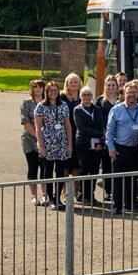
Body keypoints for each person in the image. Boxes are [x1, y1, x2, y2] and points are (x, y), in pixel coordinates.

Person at [106, 82, 138, 214]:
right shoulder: (116, 109)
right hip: (120, 148)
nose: (131, 95)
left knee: (132, 178)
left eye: (134, 92)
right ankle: (117, 205)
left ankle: (130, 203)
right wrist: (111, 148)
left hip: (136, 149)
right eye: (128, 92)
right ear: (124, 94)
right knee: (118, 178)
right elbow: (109, 130)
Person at [35, 81, 72, 211]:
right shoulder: (41, 106)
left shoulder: (64, 106)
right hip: (47, 142)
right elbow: (38, 128)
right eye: (50, 90)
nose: (53, 92)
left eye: (55, 90)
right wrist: (41, 146)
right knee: (48, 170)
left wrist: (69, 145)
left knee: (61, 171)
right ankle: (50, 198)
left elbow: (68, 126)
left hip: (61, 142)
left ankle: (58, 197)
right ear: (47, 92)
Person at [73, 87, 106, 206]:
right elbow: (82, 128)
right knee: (84, 170)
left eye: (89, 95)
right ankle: (83, 195)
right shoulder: (77, 110)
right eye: (84, 95)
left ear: (92, 96)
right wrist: (99, 134)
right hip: (82, 143)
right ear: (80, 96)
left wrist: (101, 142)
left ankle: (91, 195)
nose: (86, 97)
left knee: (94, 170)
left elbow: (101, 125)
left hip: (96, 144)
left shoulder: (97, 109)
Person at [20, 80, 46, 206]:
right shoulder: (26, 103)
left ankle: (44, 195)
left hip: (46, 140)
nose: (38, 90)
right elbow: (25, 122)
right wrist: (37, 136)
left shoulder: (47, 103)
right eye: (35, 87)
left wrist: (43, 138)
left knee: (45, 168)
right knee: (33, 167)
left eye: (40, 87)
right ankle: (34, 196)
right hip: (29, 140)